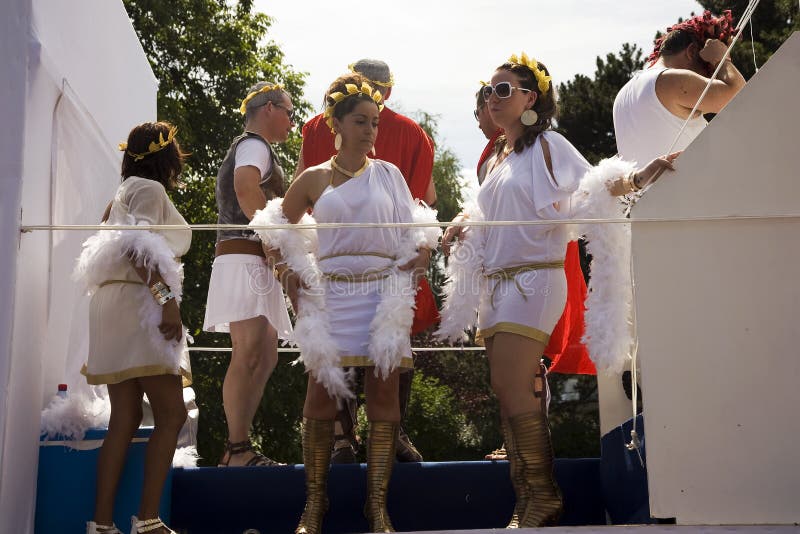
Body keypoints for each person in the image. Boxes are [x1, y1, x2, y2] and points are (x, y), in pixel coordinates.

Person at [438, 53, 678, 528]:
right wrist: (463, 224)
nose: (493, 98)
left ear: (532, 98)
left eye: (504, 90)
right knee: (507, 391)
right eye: (489, 91)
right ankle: (528, 497)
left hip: (535, 279)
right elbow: (490, 214)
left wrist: (635, 176)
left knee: (515, 388)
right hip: (498, 283)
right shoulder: (498, 159)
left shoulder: (548, 144)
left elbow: (593, 184)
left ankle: (542, 496)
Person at [251, 73, 440, 534]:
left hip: (382, 292)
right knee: (320, 396)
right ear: (336, 123)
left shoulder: (390, 175)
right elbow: (272, 228)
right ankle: (314, 508)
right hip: (333, 293)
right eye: (360, 121)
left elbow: (420, 226)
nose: (370, 131)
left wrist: (424, 251)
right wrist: (287, 273)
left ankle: (376, 508)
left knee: (383, 394)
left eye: (374, 123)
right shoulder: (313, 178)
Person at [296, 59, 436, 463]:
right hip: (335, 267)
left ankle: (372, 438)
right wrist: (291, 264)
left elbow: (420, 205)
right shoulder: (317, 129)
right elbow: (296, 209)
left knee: (392, 351)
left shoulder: (410, 135)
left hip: (388, 264)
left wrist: (419, 249)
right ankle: (345, 440)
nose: (370, 129)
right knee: (328, 368)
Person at [77, 122, 191, 534]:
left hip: (111, 304)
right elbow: (136, 245)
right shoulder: (148, 189)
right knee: (171, 414)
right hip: (137, 302)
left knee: (124, 417)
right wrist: (167, 303)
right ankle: (148, 520)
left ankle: (102, 524)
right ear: (166, 156)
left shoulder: (119, 197)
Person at [202, 81, 295, 466]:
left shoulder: (253, 147)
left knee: (265, 354)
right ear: (269, 108)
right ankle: (238, 448)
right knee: (250, 352)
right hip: (247, 256)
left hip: (249, 257)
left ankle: (236, 446)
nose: (293, 121)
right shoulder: (254, 145)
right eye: (289, 112)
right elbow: (245, 188)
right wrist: (274, 242)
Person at [614, 9, 745, 165]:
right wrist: (721, 59)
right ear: (692, 51)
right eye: (708, 68)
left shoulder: (623, 94)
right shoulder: (671, 80)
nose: (708, 77)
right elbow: (744, 98)